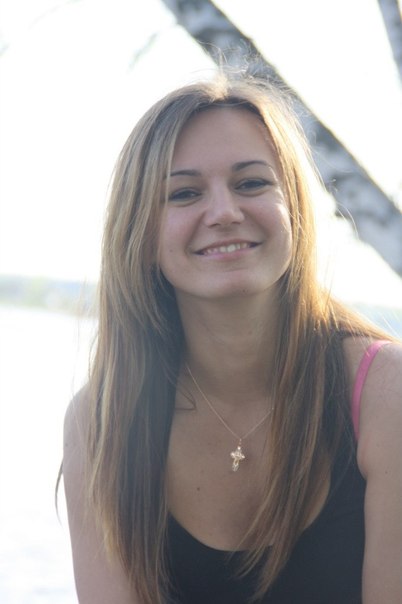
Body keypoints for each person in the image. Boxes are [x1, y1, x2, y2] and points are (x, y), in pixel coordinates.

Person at [62, 73, 402, 604]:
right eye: (184, 193)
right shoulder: (100, 421)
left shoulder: (386, 393)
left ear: (295, 208)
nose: (224, 213)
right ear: (141, 231)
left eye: (251, 183)